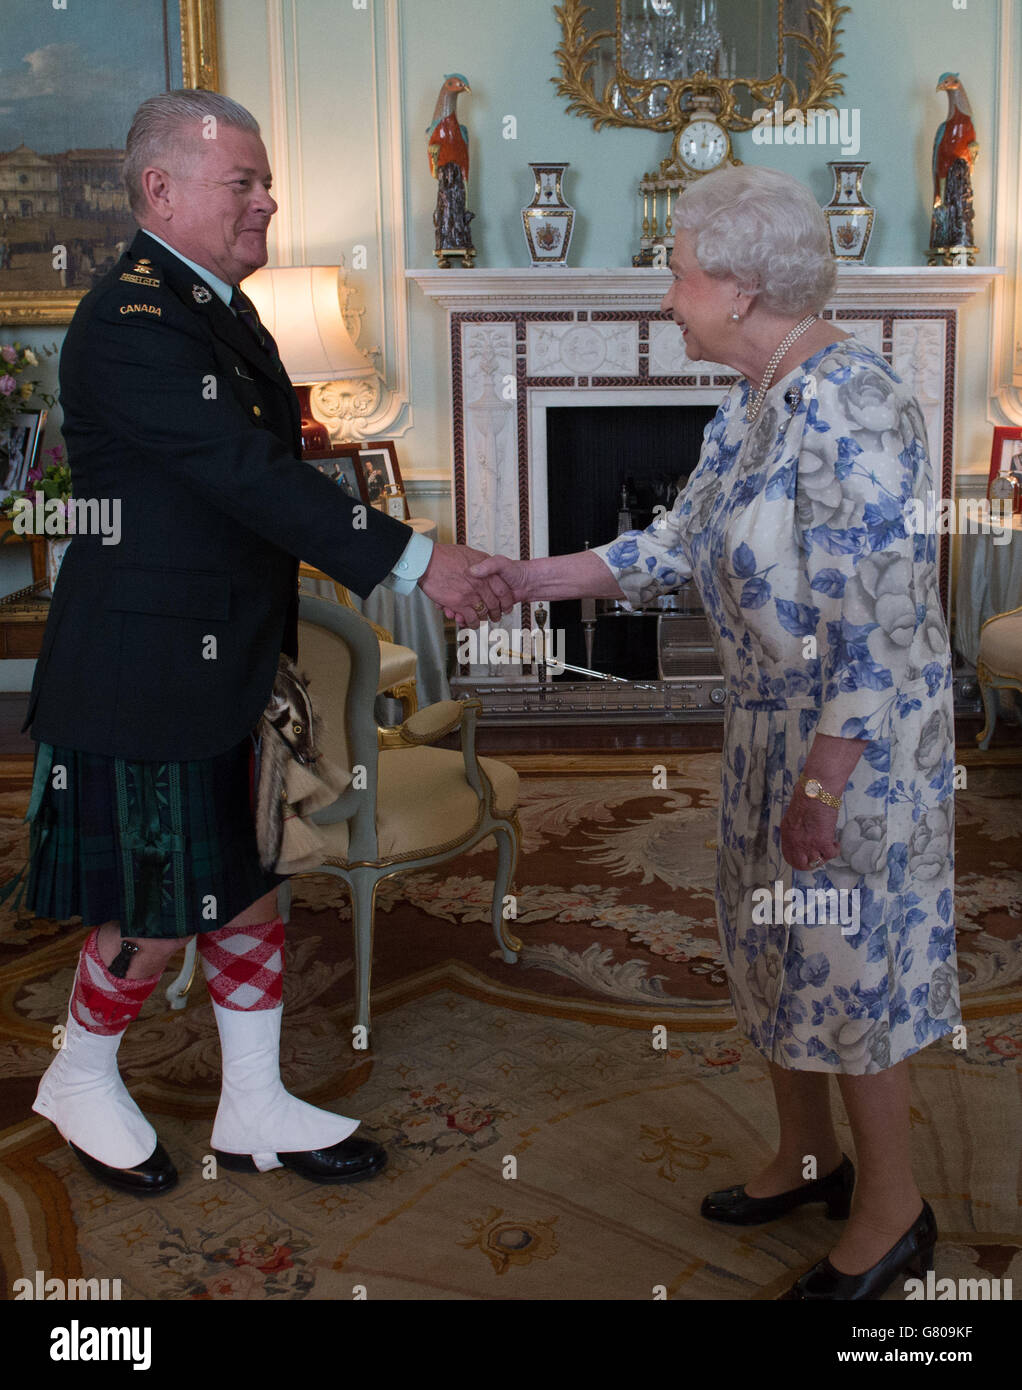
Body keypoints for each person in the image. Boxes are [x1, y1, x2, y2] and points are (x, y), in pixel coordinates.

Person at [471, 165, 961, 1301]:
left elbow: (882, 620)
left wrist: (823, 784)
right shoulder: (751, 401)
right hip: (766, 721)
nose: (666, 298)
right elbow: (674, 543)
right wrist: (522, 575)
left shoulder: (856, 401)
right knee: (772, 941)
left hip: (857, 741)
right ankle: (806, 1156)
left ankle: (892, 1213)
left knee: (846, 957)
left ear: (738, 289)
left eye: (677, 274)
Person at [24, 89, 512, 1199]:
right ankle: (79, 1073)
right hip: (145, 668)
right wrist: (419, 560)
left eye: (262, 178)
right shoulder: (133, 320)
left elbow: (263, 482)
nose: (266, 198)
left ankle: (253, 1102)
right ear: (161, 189)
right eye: (240, 181)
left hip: (228, 653)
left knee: (248, 873)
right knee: (155, 906)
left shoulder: (217, 305)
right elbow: (249, 478)